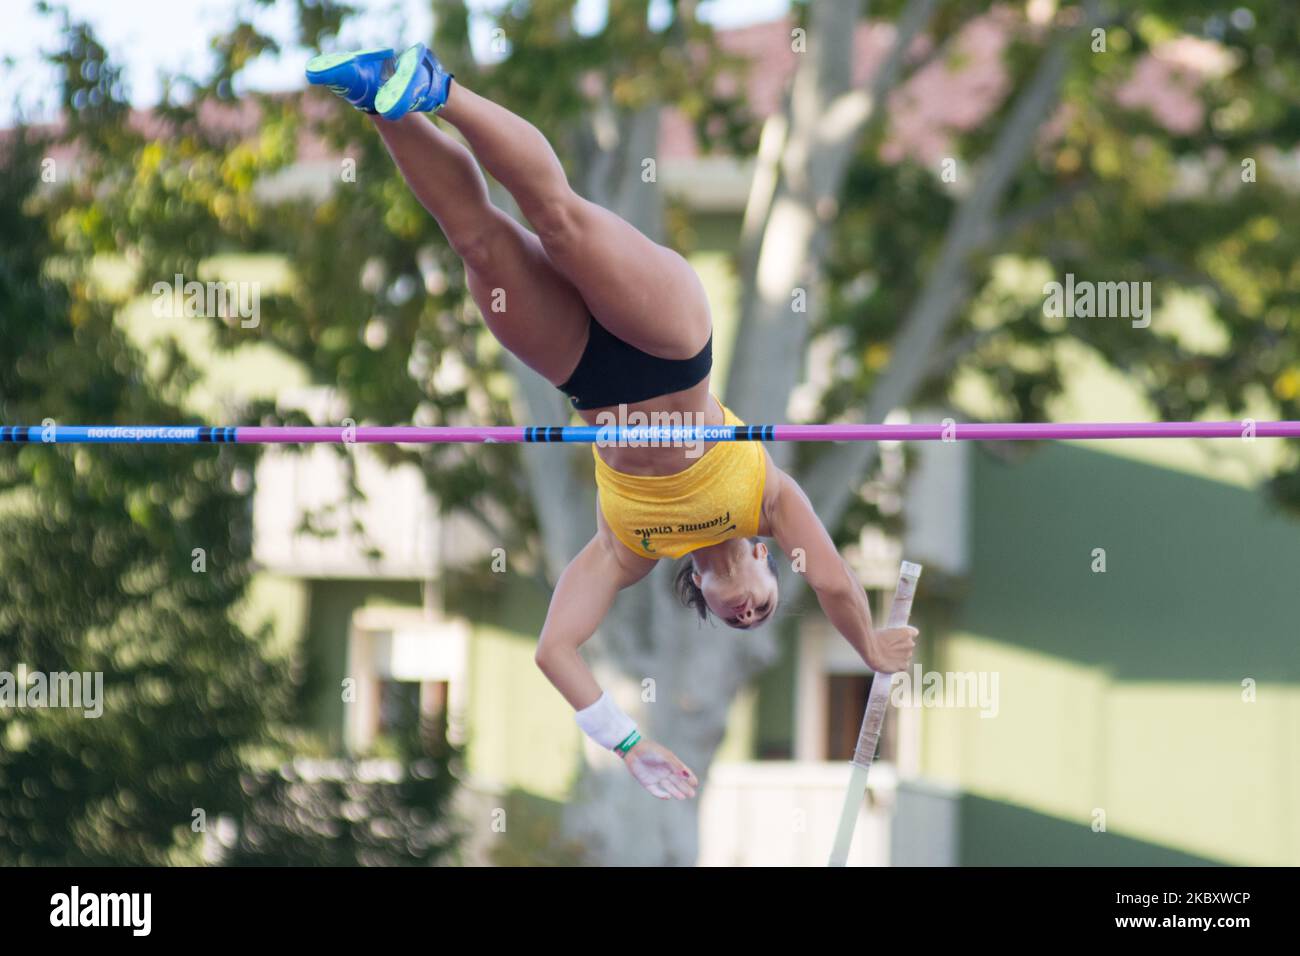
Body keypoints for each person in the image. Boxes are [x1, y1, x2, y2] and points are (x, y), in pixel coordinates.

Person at [307, 43, 918, 800]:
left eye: (738, 620)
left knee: (479, 242)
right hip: (670, 345)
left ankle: (379, 101)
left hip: (584, 375)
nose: (752, 608)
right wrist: (868, 645)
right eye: (765, 603)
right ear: (767, 558)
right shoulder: (771, 499)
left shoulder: (630, 547)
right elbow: (830, 582)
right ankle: (442, 90)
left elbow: (555, 649)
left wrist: (628, 745)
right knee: (558, 222)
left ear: (702, 590)